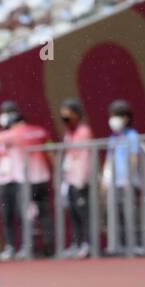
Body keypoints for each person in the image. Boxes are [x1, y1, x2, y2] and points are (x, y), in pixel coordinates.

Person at [0, 100, 53, 259]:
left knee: (26, 214)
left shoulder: (13, 133)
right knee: (31, 213)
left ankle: (30, 246)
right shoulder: (39, 131)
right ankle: (41, 246)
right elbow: (51, 151)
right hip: (29, 179)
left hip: (23, 181)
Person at [102, 99, 142, 255]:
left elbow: (134, 158)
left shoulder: (132, 135)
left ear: (126, 118)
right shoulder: (113, 138)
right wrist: (105, 180)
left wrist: (130, 179)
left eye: (117, 115)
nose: (113, 119)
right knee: (113, 214)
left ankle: (134, 245)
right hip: (114, 183)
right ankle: (116, 246)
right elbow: (108, 160)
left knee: (129, 214)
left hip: (127, 183)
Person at [59, 99, 93, 258]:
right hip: (70, 179)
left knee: (83, 213)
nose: (64, 116)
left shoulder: (83, 131)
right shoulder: (69, 133)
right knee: (73, 212)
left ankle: (88, 243)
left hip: (81, 180)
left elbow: (85, 157)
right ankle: (78, 242)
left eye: (68, 112)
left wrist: (81, 180)